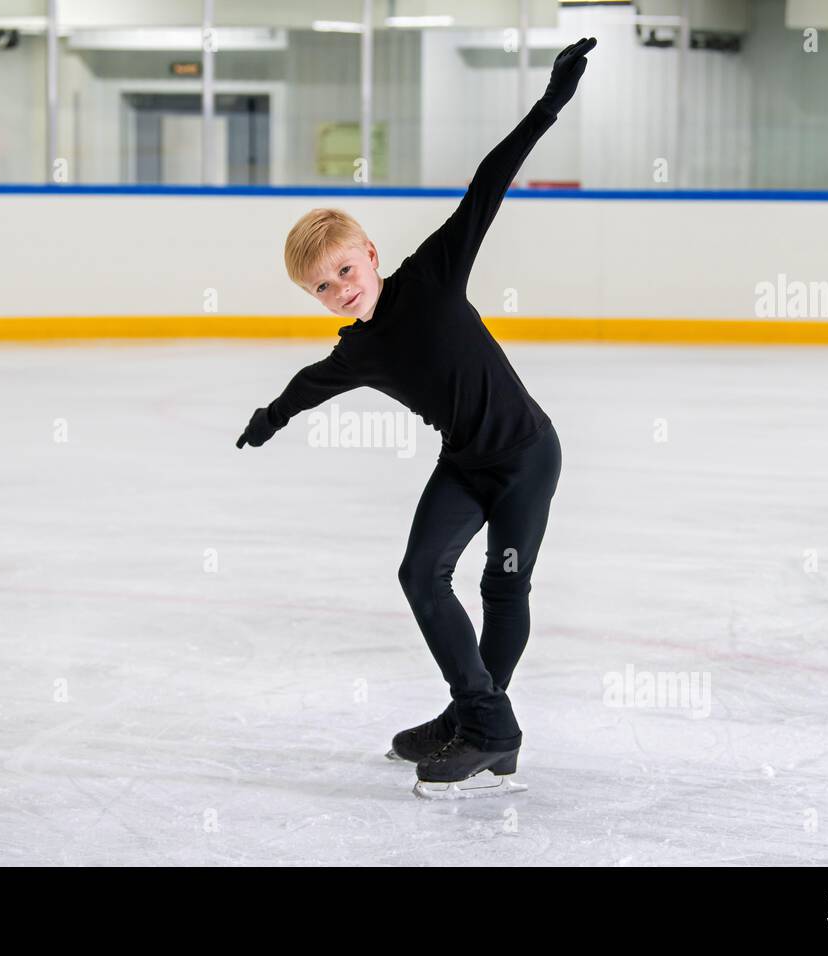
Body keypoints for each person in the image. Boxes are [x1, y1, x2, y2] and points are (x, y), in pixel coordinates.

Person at [237, 38, 598, 798]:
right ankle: (478, 716)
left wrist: (550, 104)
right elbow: (311, 382)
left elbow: (486, 186)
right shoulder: (356, 352)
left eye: (345, 268)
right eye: (322, 287)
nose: (339, 288)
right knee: (420, 574)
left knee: (504, 591)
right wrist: (272, 416)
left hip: (528, 458)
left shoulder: (432, 273)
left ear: (368, 252)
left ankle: (488, 730)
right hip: (466, 464)